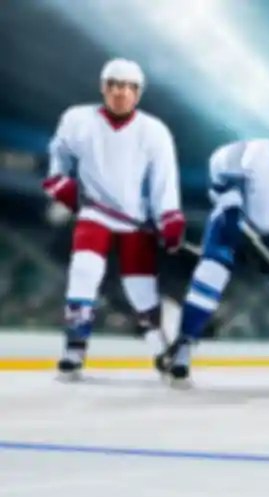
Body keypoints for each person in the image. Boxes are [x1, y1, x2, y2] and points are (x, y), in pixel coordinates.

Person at [158, 109, 269, 386]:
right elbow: (218, 164)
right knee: (211, 273)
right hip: (235, 220)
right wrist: (229, 202)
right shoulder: (259, 154)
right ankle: (184, 344)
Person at [43, 58, 185, 380]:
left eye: (128, 87)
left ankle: (159, 347)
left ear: (138, 92)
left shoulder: (154, 132)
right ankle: (74, 347)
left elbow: (165, 181)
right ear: (104, 88)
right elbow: (59, 154)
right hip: (95, 214)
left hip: (137, 221)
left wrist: (169, 217)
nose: (121, 92)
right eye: (114, 85)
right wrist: (59, 181)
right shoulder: (77, 119)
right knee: (84, 271)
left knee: (141, 291)